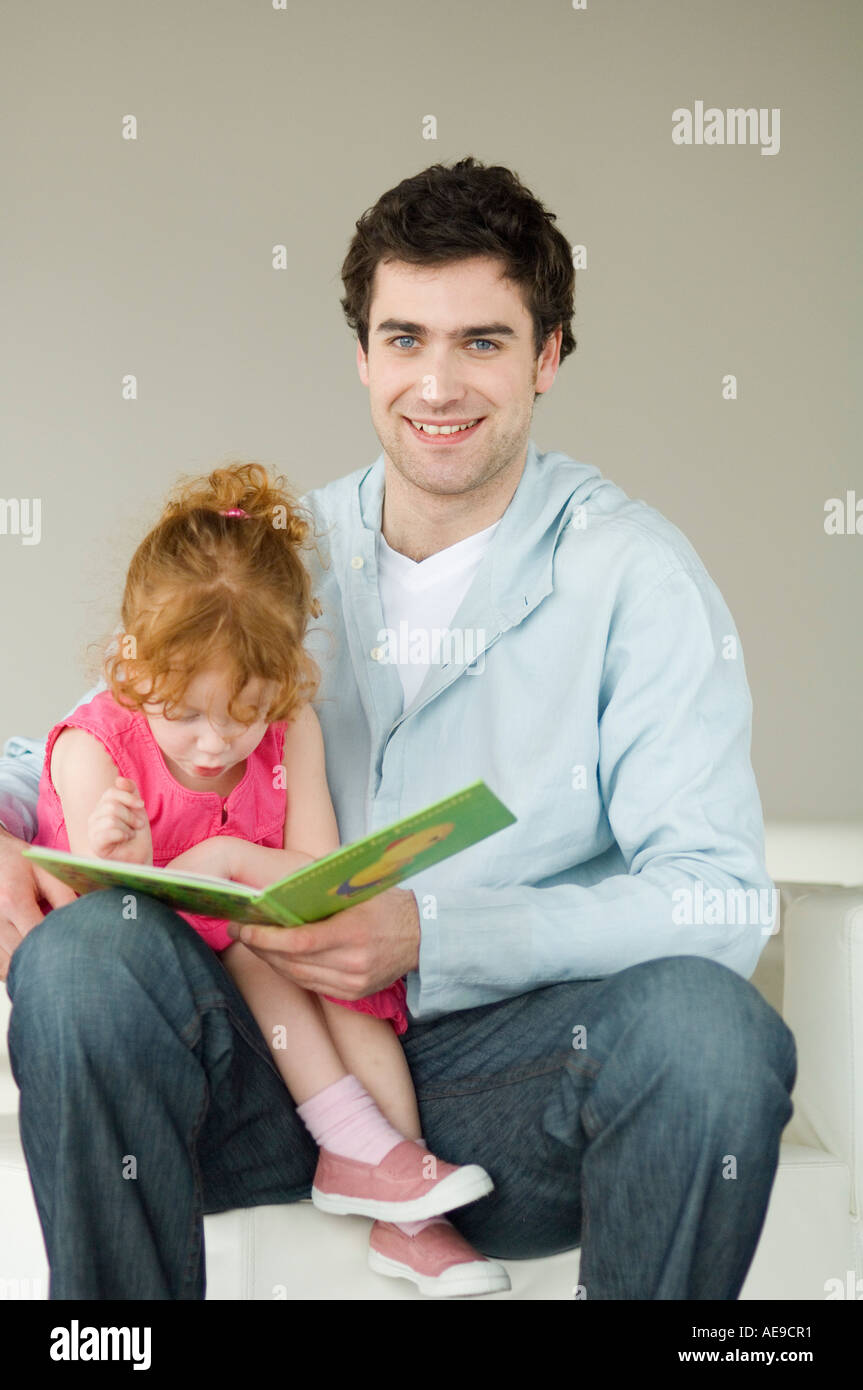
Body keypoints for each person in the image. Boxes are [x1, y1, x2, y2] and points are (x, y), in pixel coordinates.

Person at [0, 156, 796, 1300]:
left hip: (509, 1084)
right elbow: (98, 744)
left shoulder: (635, 576)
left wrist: (435, 931)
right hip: (255, 1071)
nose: (438, 382)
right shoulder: (273, 561)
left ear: (548, 354)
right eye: (405, 337)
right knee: (83, 960)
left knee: (710, 1031)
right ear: (361, 354)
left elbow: (716, 897)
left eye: (482, 341)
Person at [25, 458, 509, 1298]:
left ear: (283, 684)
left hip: (263, 954)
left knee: (342, 977)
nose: (215, 745)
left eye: (244, 714)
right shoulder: (93, 746)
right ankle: (355, 1145)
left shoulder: (292, 730)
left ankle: (407, 1208)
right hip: (170, 997)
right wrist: (131, 859)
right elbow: (89, 927)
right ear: (128, 661)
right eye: (185, 715)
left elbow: (317, 873)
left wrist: (229, 863)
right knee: (253, 947)